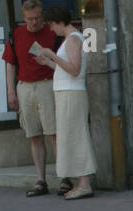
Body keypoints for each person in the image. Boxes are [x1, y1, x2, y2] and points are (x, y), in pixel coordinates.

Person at [2, 1, 71, 197]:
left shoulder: (52, 34)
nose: (34, 22)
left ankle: (64, 177)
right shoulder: (16, 35)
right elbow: (10, 64)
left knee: (54, 133)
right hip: (25, 86)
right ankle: (41, 179)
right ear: (24, 18)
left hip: (47, 83)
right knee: (34, 135)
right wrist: (11, 91)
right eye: (30, 19)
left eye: (38, 18)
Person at [32, 6, 95, 200]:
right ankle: (82, 182)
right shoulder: (73, 39)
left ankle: (84, 184)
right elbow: (69, 69)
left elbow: (74, 70)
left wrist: (51, 55)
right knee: (71, 136)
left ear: (59, 22)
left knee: (76, 136)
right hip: (68, 92)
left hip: (71, 93)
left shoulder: (73, 39)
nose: (51, 29)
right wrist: (50, 63)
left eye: (52, 25)